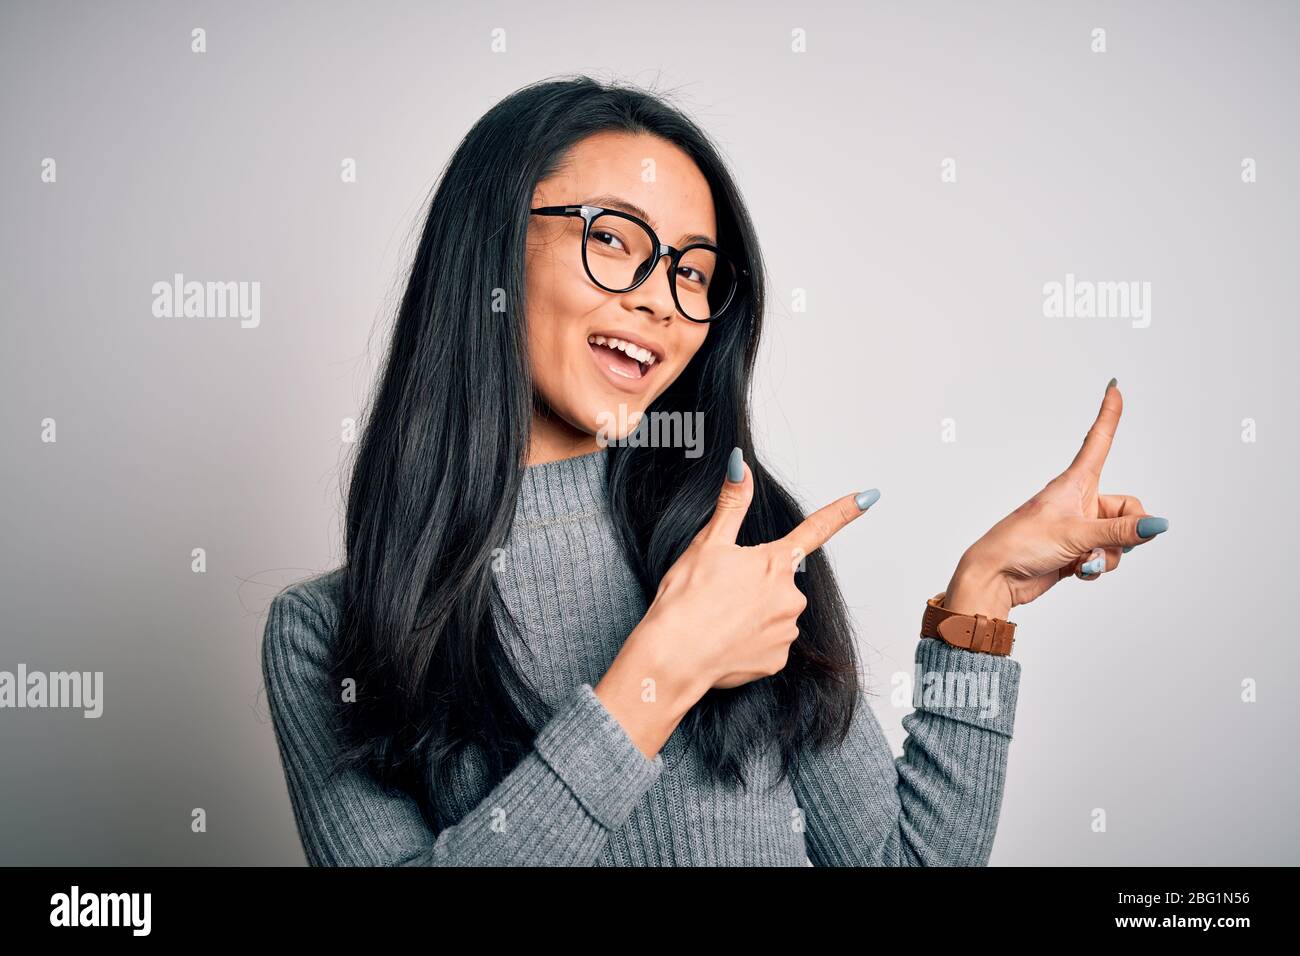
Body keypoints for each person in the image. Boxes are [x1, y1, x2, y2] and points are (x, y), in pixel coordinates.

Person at [261, 74, 1169, 866]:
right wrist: (660, 672)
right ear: (489, 246)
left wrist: (981, 605)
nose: (663, 297)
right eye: (614, 239)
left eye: (693, 271)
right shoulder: (325, 633)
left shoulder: (750, 547)